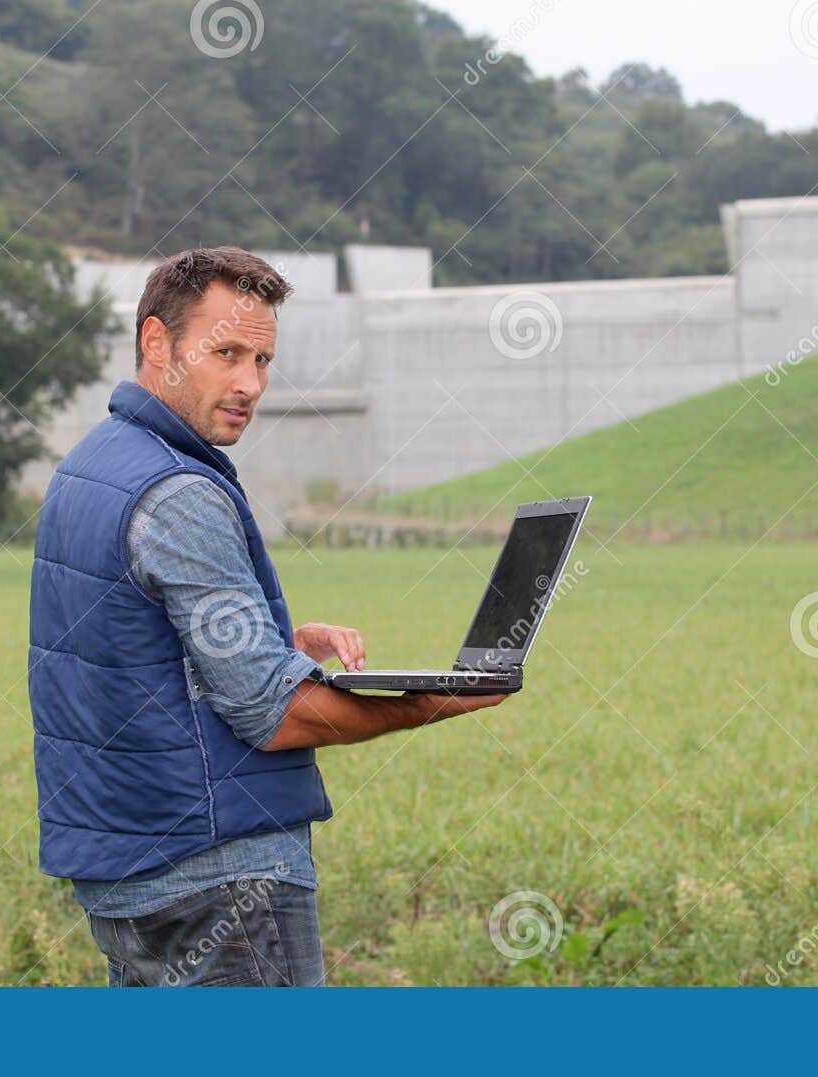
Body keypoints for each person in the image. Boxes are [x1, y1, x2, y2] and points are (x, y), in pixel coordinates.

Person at [27, 245, 505, 987]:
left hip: (126, 877)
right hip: (217, 881)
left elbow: (126, 648)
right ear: (157, 342)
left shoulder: (90, 466)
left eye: (262, 360)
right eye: (226, 354)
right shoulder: (179, 492)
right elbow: (271, 713)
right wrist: (429, 702)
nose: (250, 384)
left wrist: (271, 642)